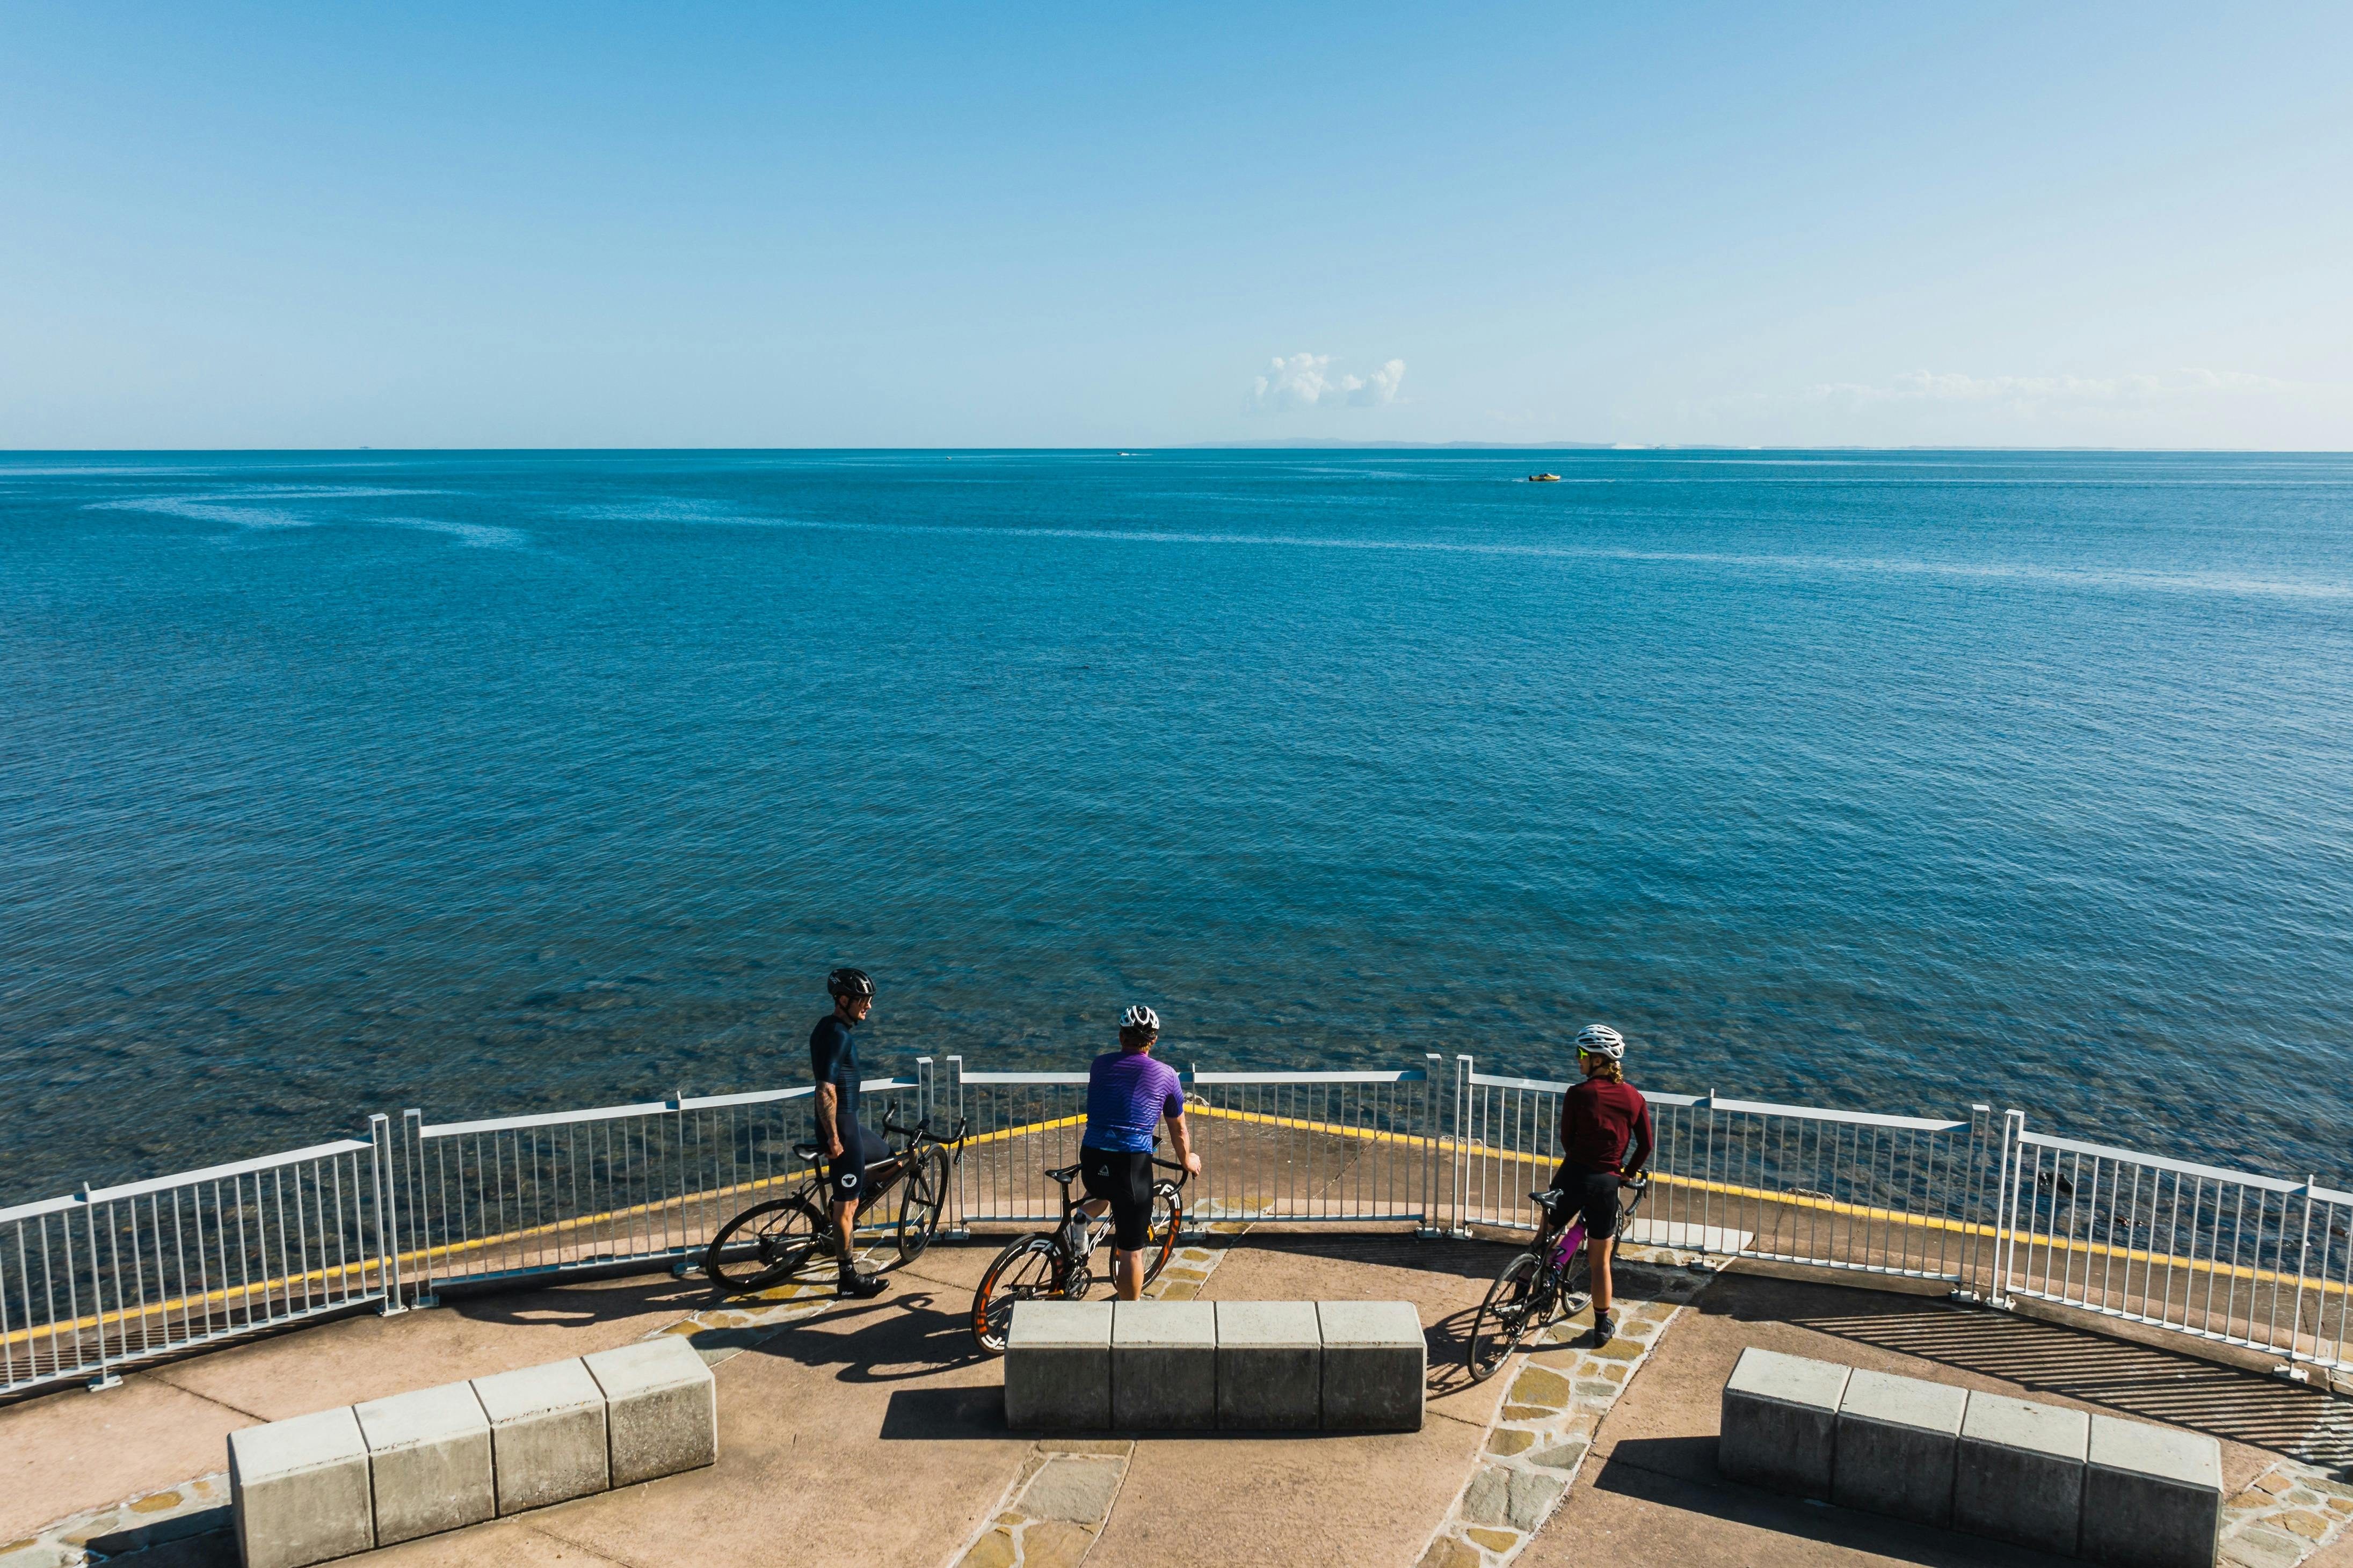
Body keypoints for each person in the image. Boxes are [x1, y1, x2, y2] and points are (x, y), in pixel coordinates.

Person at [1078, 1004, 1201, 1300]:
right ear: (1154, 1040)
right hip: (1130, 1167)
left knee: (1103, 1192)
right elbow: (1179, 1130)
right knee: (1131, 1253)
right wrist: (1187, 1160)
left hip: (1092, 1157)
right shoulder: (1167, 1075)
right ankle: (1127, 1325)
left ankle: (1081, 1219)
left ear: (1121, 1037)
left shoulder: (1099, 1064)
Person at [1554, 1023, 1653, 1346]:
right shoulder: (1634, 1097)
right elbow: (1646, 1145)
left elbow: (1567, 1141)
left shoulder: (1577, 1094)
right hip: (1605, 1185)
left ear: (1598, 1060)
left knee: (1544, 1237)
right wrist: (1626, 1173)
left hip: (1571, 1176)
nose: (1577, 1058)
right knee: (1599, 1263)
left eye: (1582, 1053)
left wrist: (1581, 1159)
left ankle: (1520, 1293)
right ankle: (1600, 1326)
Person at [811, 967, 889, 1299]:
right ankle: (848, 1278)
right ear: (844, 999)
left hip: (848, 1124)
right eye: (863, 1000)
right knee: (847, 1206)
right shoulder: (839, 1035)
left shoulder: (827, 1027)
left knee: (889, 1159)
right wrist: (833, 1138)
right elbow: (826, 1089)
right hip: (841, 1128)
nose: (868, 1006)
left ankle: (841, 1221)